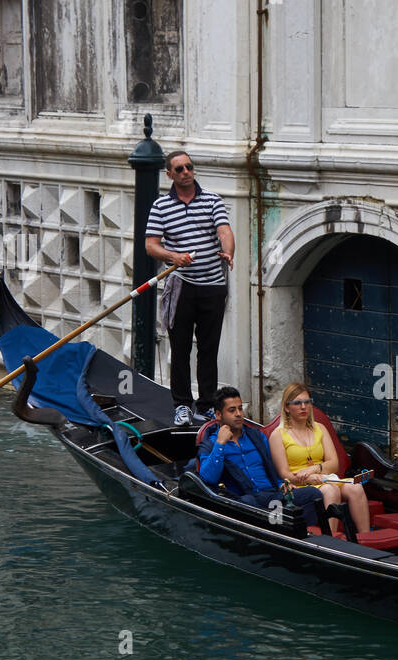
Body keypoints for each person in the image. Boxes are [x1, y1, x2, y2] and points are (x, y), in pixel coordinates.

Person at [144, 150, 235, 426]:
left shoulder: (212, 200)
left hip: (213, 286)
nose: (186, 172)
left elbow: (224, 231)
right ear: (169, 174)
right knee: (180, 347)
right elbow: (151, 245)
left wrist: (228, 251)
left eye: (189, 167)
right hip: (181, 287)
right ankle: (182, 404)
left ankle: (207, 404)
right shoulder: (161, 206)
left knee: (209, 348)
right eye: (180, 169)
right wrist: (173, 257)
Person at [197, 386, 323, 527]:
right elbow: (208, 478)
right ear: (218, 415)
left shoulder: (257, 436)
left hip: (271, 496)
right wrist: (220, 443)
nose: (239, 414)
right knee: (249, 504)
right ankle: (280, 528)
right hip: (243, 499)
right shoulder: (210, 444)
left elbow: (271, 467)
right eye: (232, 410)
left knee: (312, 494)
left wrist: (281, 483)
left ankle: (302, 534)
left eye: (240, 408)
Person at [268, 382, 371, 536]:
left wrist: (315, 470)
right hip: (300, 485)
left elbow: (334, 464)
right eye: (297, 403)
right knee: (330, 490)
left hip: (323, 478)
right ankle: (330, 540)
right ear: (286, 407)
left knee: (355, 485)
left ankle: (366, 538)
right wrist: (308, 478)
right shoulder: (278, 435)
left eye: (307, 402)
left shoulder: (320, 428)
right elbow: (284, 474)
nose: (303, 407)